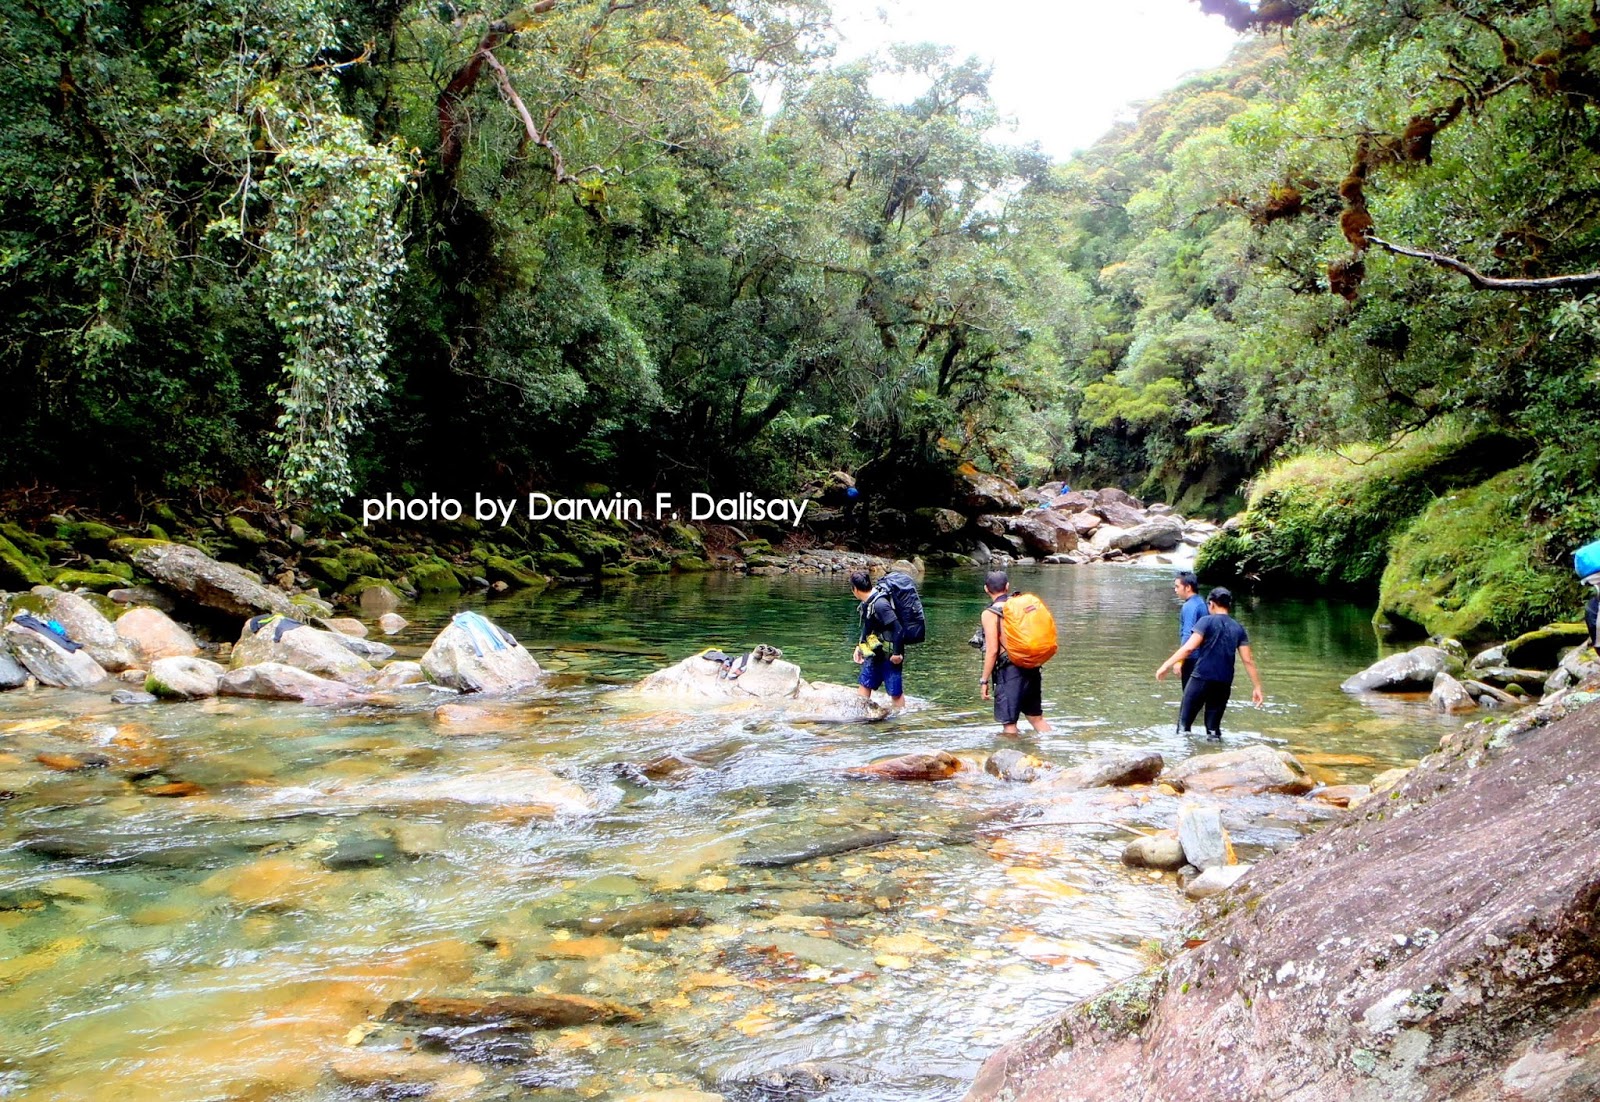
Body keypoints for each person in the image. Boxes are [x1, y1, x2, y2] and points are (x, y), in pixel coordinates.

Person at [1155, 587, 1263, 741]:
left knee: (1184, 725)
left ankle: (1185, 760)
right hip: (1224, 682)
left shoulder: (1205, 622)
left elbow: (1189, 648)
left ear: (1211, 604)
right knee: (1213, 729)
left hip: (1202, 677)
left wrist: (1165, 665)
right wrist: (1257, 687)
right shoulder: (1238, 628)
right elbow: (1248, 660)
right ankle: (1215, 756)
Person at [978, 570, 1052, 737]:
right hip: (1031, 664)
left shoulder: (990, 614)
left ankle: (1012, 761)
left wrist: (984, 681)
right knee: (1036, 719)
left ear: (986, 589)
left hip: (1010, 670)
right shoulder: (1021, 606)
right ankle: (1051, 749)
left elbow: (992, 650)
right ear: (1007, 586)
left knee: (1009, 724)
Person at [851, 570, 906, 709]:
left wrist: (897, 653)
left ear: (855, 589)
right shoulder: (867, 604)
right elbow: (867, 626)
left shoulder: (880, 604)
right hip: (875, 650)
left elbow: (898, 628)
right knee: (865, 682)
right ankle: (860, 714)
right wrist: (860, 646)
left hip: (890, 653)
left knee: (895, 691)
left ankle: (900, 721)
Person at [1173, 571, 1207, 688]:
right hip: (1204, 658)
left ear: (1188, 588)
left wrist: (1180, 660)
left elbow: (1187, 634)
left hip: (1192, 659)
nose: (1175, 590)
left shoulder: (1189, 606)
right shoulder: (1201, 602)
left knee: (1189, 700)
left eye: (1177, 586)